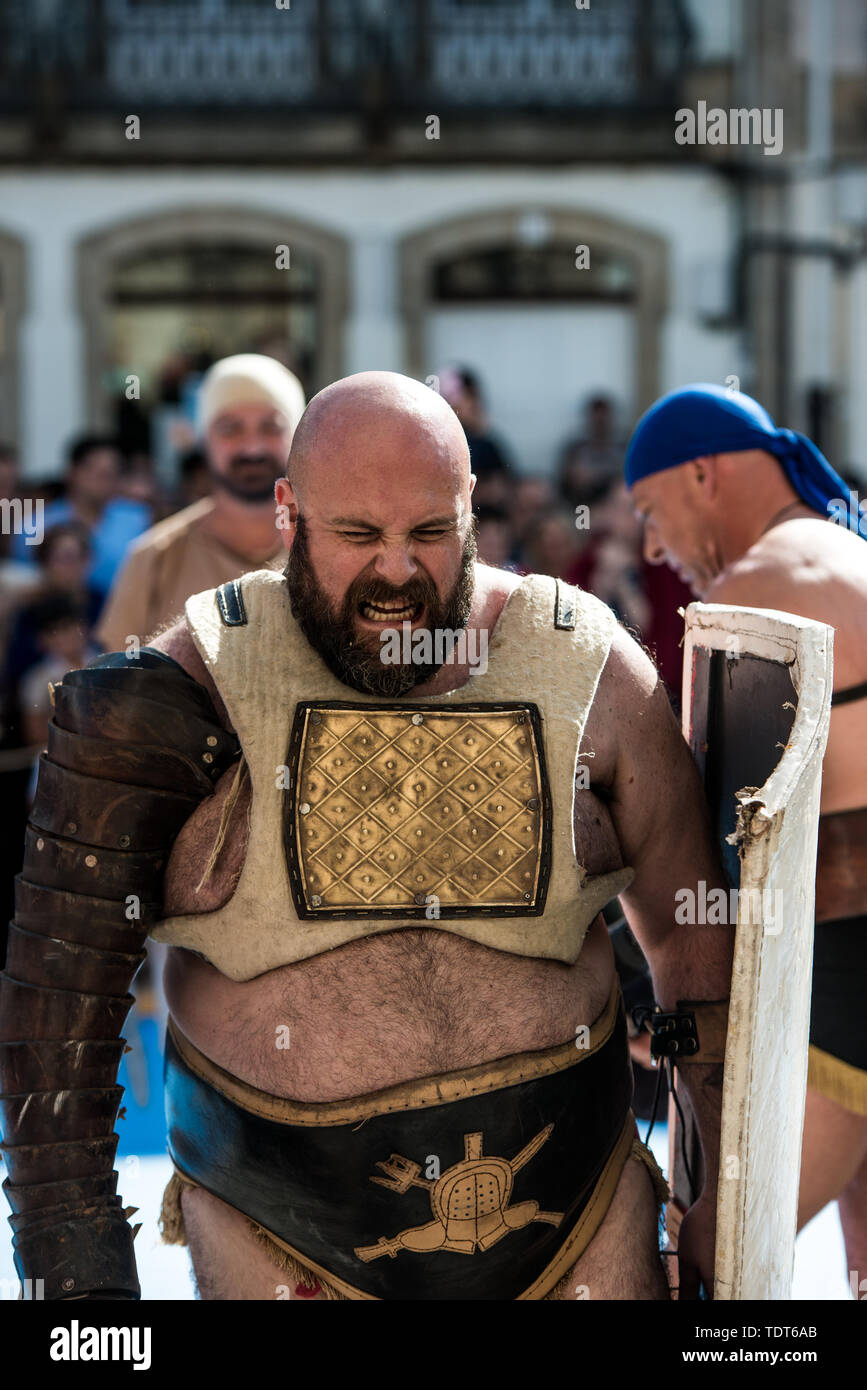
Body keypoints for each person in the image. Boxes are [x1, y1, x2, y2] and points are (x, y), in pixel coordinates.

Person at [3, 372, 734, 1302]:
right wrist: (78, 1279)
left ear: (473, 508)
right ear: (289, 510)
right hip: (280, 1233)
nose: (396, 572)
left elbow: (689, 932)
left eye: (430, 533)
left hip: (579, 1221)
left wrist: (717, 1183)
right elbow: (61, 1002)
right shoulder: (191, 687)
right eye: (357, 536)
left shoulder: (585, 665)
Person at [625, 382, 867, 1286]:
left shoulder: (758, 587)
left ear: (701, 471)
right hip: (839, 957)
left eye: (651, 510)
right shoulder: (843, 552)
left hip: (841, 973)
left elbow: (682, 824)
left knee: (716, 1262)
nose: (652, 545)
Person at [96, 355, 305, 652]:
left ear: (297, 437)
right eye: (231, 429)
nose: (252, 447)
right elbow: (114, 687)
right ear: (204, 439)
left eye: (270, 428)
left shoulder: (333, 548)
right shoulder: (154, 558)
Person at [12, 434, 152, 603]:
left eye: (112, 473)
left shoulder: (139, 519)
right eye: (97, 471)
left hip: (128, 619)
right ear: (72, 472)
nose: (105, 480)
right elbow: (25, 584)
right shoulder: (34, 526)